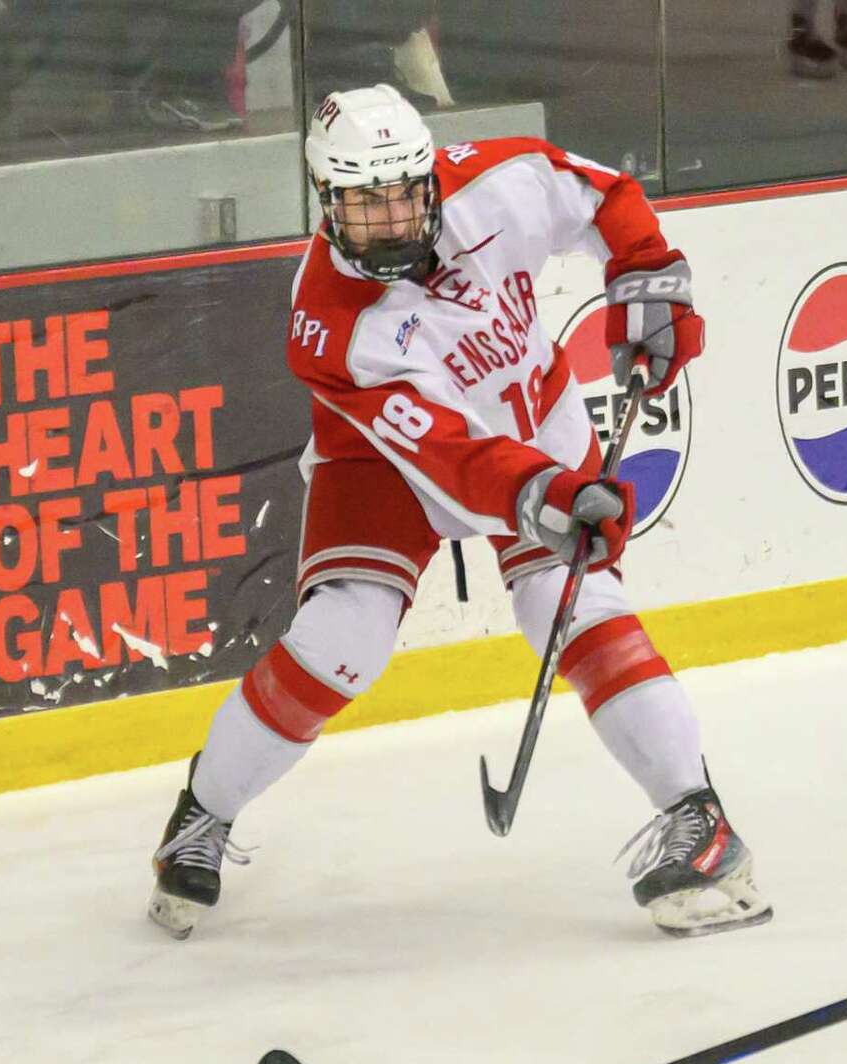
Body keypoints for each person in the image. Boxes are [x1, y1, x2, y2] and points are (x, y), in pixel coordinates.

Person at [146, 85, 772, 943]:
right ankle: (203, 813)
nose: (393, 220)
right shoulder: (328, 325)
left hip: (530, 419)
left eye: (404, 193)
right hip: (385, 462)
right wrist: (545, 495)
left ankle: (702, 824)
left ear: (430, 178)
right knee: (343, 640)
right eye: (365, 205)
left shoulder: (497, 180)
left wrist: (646, 279)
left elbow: (609, 198)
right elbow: (443, 453)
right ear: (325, 203)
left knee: (569, 601)